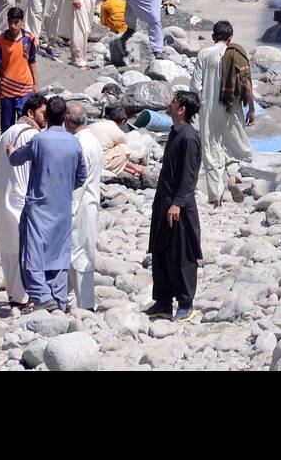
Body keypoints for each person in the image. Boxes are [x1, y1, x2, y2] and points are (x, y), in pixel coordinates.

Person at [8, 97, 87, 312]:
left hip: (38, 208)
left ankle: (42, 295)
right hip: (61, 208)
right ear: (65, 118)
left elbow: (15, 160)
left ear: (47, 117)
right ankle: (59, 299)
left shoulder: (39, 141)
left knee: (31, 254)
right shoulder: (75, 142)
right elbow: (81, 177)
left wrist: (11, 150)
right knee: (59, 255)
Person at [0, 93, 47, 314]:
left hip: (5, 197)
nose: (45, 118)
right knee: (24, 249)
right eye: (42, 113)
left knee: (8, 249)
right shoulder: (32, 135)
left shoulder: (6, 134)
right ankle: (22, 298)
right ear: (31, 113)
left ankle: (13, 295)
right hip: (23, 199)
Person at [145, 90, 203, 323]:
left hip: (179, 205)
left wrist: (177, 204)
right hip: (164, 201)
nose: (168, 104)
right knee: (160, 251)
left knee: (181, 255)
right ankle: (162, 301)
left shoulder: (189, 137)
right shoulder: (175, 132)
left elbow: (190, 176)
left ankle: (186, 303)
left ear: (181, 109)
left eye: (173, 102)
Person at [191, 20, 254, 206]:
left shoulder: (204, 54)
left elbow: (195, 86)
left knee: (211, 150)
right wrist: (251, 109)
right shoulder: (236, 53)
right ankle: (233, 176)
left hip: (208, 110)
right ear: (230, 38)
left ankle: (216, 198)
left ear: (213, 37)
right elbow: (247, 85)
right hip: (231, 108)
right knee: (234, 145)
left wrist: (194, 110)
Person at [70, 116, 104, 311]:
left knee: (80, 253)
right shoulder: (92, 140)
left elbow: (78, 183)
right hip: (89, 204)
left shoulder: (80, 145)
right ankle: (67, 298)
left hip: (80, 205)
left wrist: (69, 209)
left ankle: (86, 303)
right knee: (79, 251)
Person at [0, 7, 38, 131]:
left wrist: (35, 84)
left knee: (26, 125)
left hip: (25, 88)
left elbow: (32, 62)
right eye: (10, 22)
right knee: (7, 126)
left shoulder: (29, 38)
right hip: (6, 89)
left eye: (16, 22)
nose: (12, 26)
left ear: (22, 21)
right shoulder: (0, 40)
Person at [90, 101, 145, 178]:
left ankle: (127, 170)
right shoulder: (119, 134)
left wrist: (129, 170)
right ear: (123, 121)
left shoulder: (94, 125)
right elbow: (125, 156)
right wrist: (135, 167)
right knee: (124, 148)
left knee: (110, 150)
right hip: (97, 164)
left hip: (87, 159)